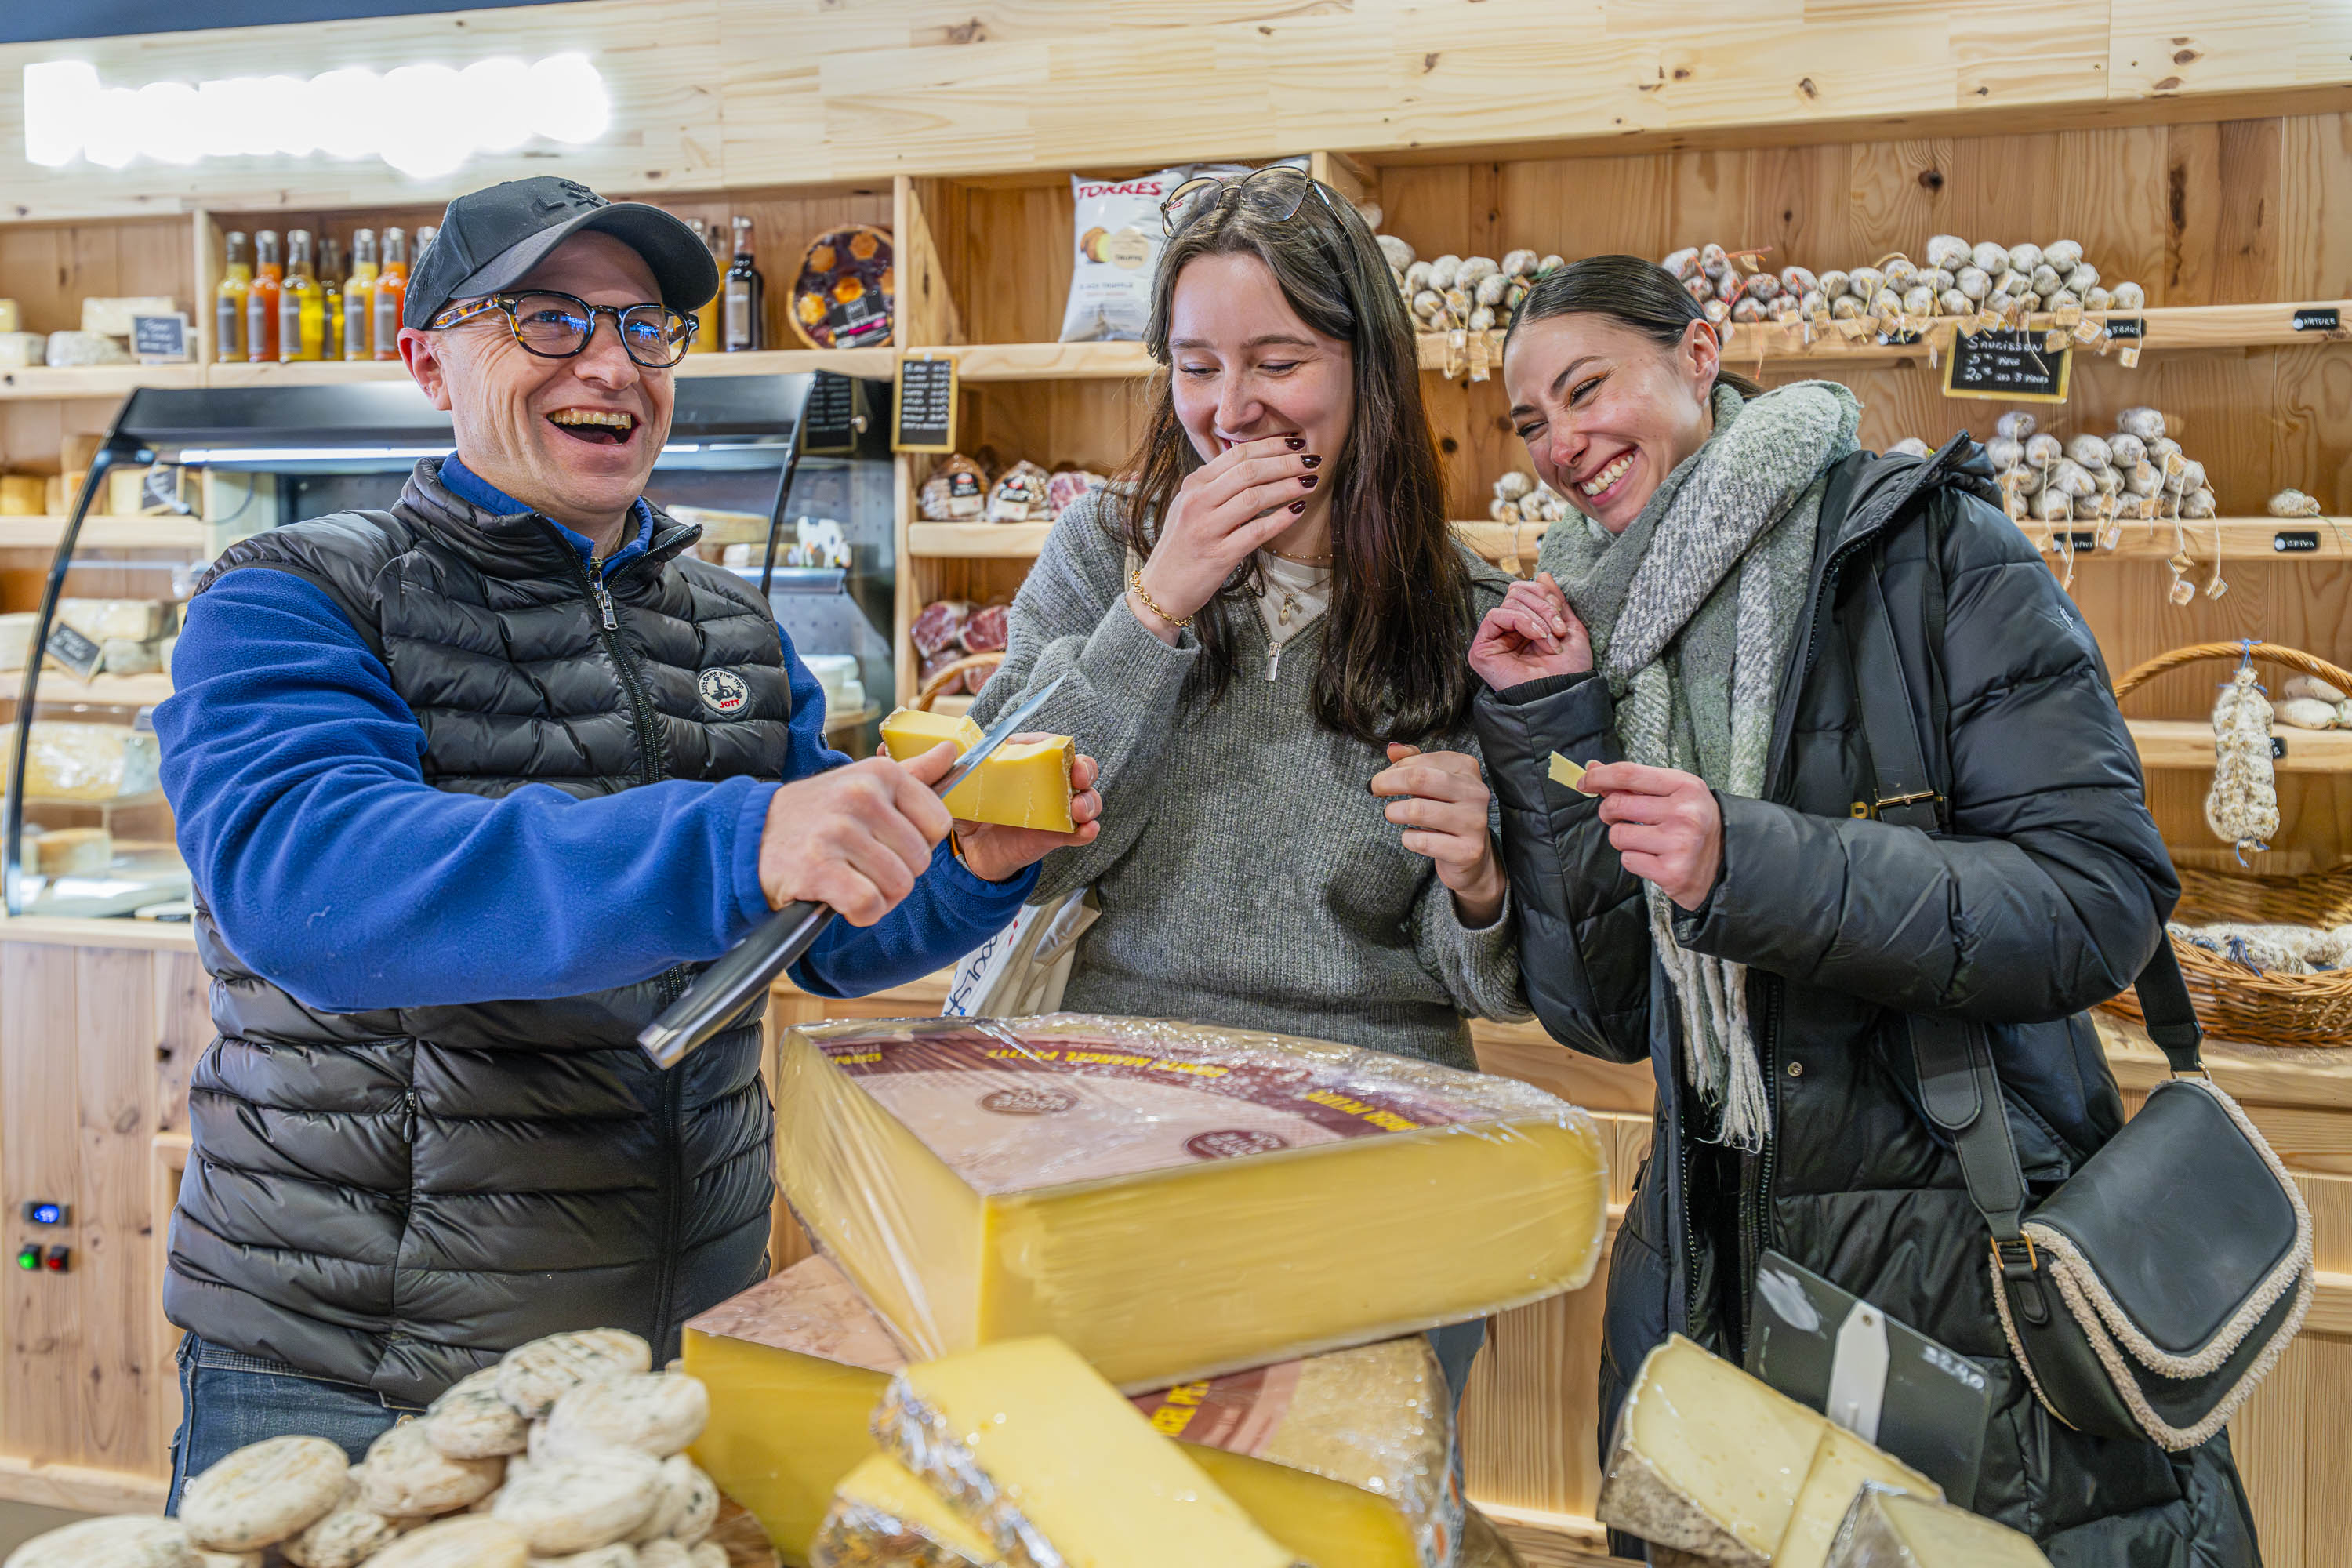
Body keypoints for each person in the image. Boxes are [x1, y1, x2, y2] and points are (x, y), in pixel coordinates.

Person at [152, 176, 1100, 1497]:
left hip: (670, 1333)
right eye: (547, 319)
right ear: (426, 360)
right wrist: (741, 837)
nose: (611, 362)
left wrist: (964, 873)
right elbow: (310, 892)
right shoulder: (293, 599)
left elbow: (803, 948)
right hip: (355, 1360)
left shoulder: (729, 626)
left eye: (645, 326)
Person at [1465, 254, 2257, 1563]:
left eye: (1586, 388)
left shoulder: (1927, 550)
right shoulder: (1597, 630)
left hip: (1954, 1254)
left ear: (1701, 355)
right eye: (1531, 422)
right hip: (1711, 1260)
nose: (1561, 443)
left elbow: (2097, 898)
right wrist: (1551, 721)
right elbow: (1608, 1015)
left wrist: (1752, 866)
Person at [967, 165, 1526, 1402]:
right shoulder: (1103, 550)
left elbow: (1494, 982)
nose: (1231, 409)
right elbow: (1012, 848)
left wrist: (1482, 881)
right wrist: (1153, 608)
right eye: (1197, 364)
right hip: (1111, 1118)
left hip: (1375, 1142)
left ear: (1367, 368)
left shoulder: (1467, 608)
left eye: (1278, 362)